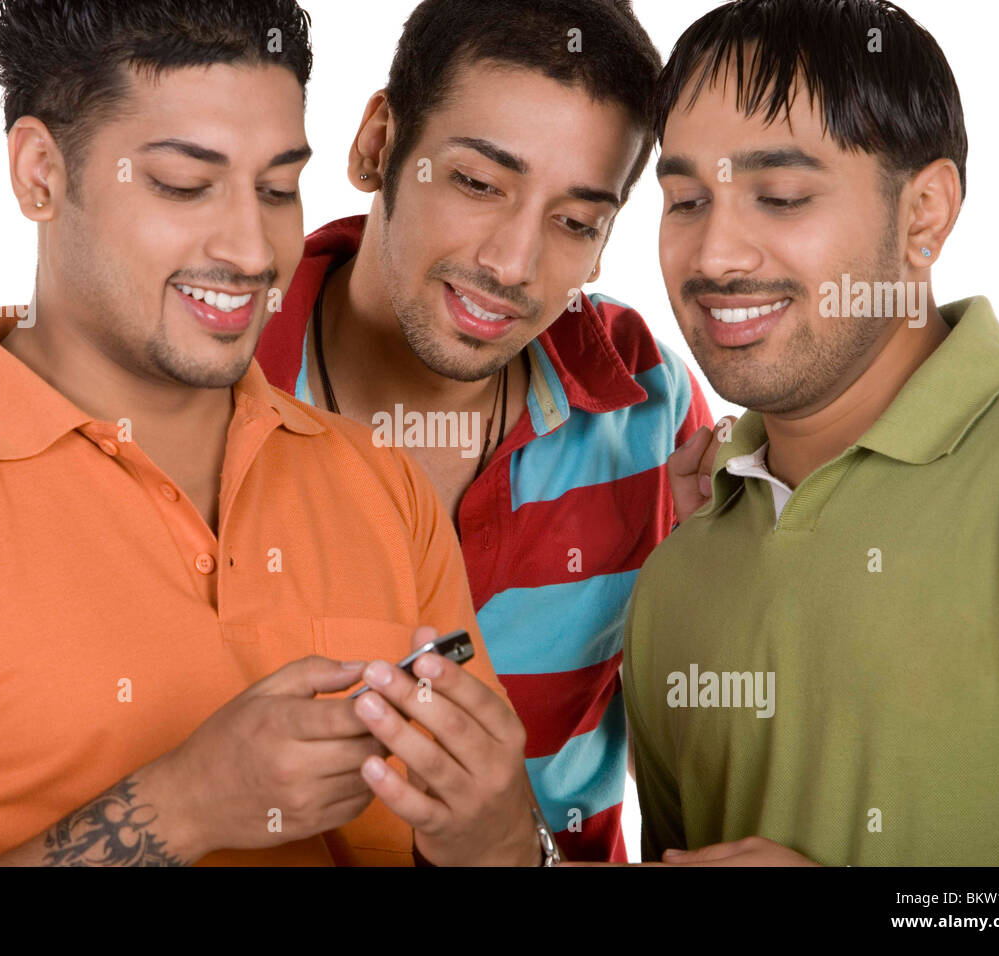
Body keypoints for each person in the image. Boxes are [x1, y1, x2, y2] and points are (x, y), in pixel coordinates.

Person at [0, 0, 545, 867]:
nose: (253, 251)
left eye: (278, 189)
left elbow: (489, 843)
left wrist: (505, 843)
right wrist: (179, 808)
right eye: (184, 184)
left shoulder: (383, 486)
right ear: (40, 173)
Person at [257, 0, 713, 862]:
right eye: (477, 183)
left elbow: (700, 757)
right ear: (378, 144)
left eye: (575, 221)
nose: (511, 264)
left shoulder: (649, 406)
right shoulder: (210, 388)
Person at [624, 0, 999, 865]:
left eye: (781, 197)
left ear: (924, 213)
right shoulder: (674, 581)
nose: (714, 255)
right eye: (685, 200)